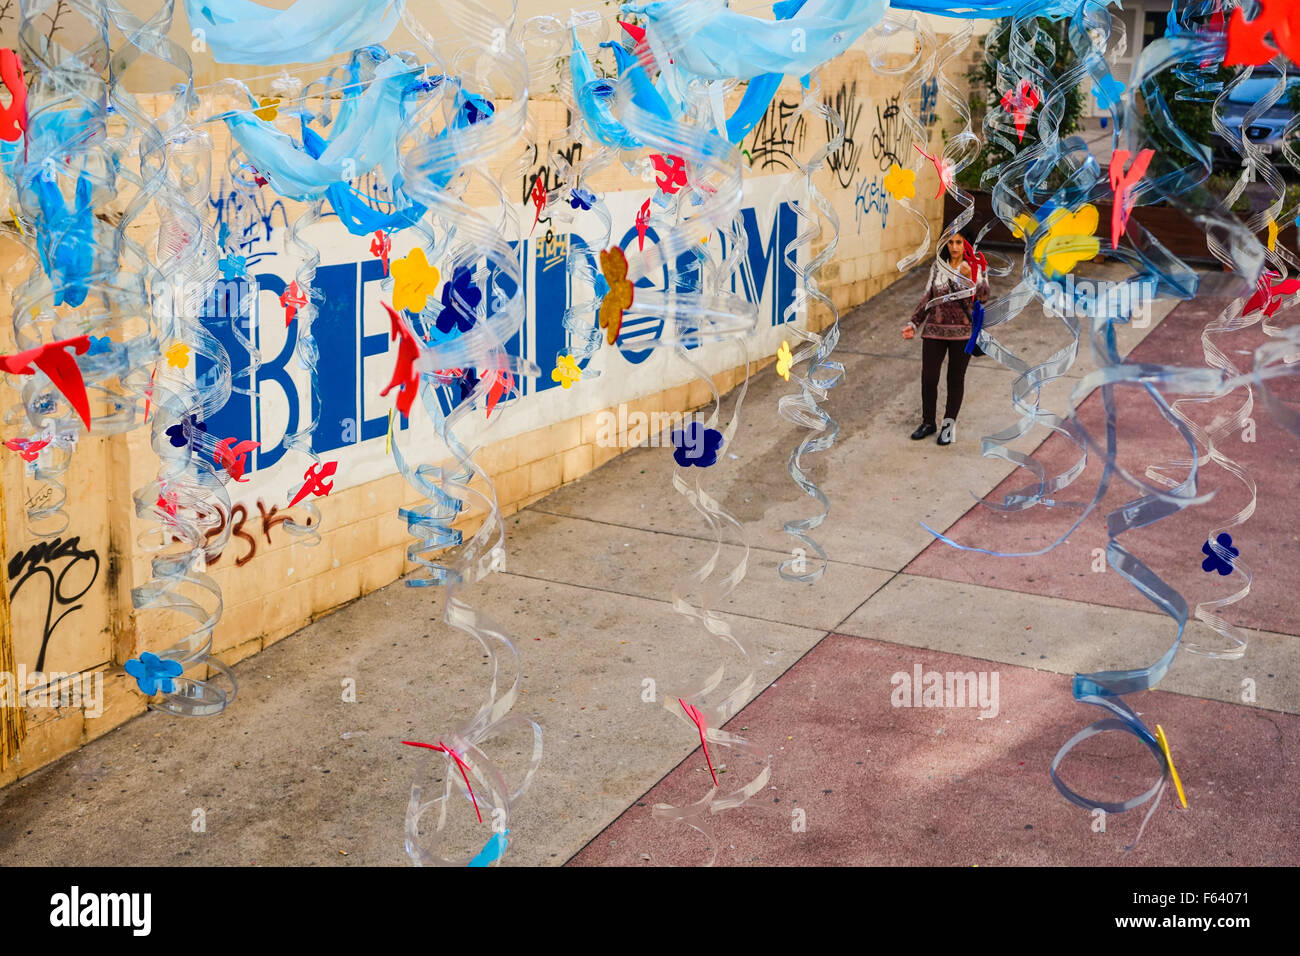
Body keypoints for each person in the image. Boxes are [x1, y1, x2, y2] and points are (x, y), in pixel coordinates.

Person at [901, 233, 989, 446]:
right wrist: (913, 323)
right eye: (950, 242)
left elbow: (984, 296)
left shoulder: (976, 266)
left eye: (959, 242)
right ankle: (928, 422)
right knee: (929, 378)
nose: (954, 246)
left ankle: (948, 427)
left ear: (966, 244)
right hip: (934, 330)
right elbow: (928, 298)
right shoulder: (938, 267)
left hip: (963, 333)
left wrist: (970, 279)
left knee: (955, 379)